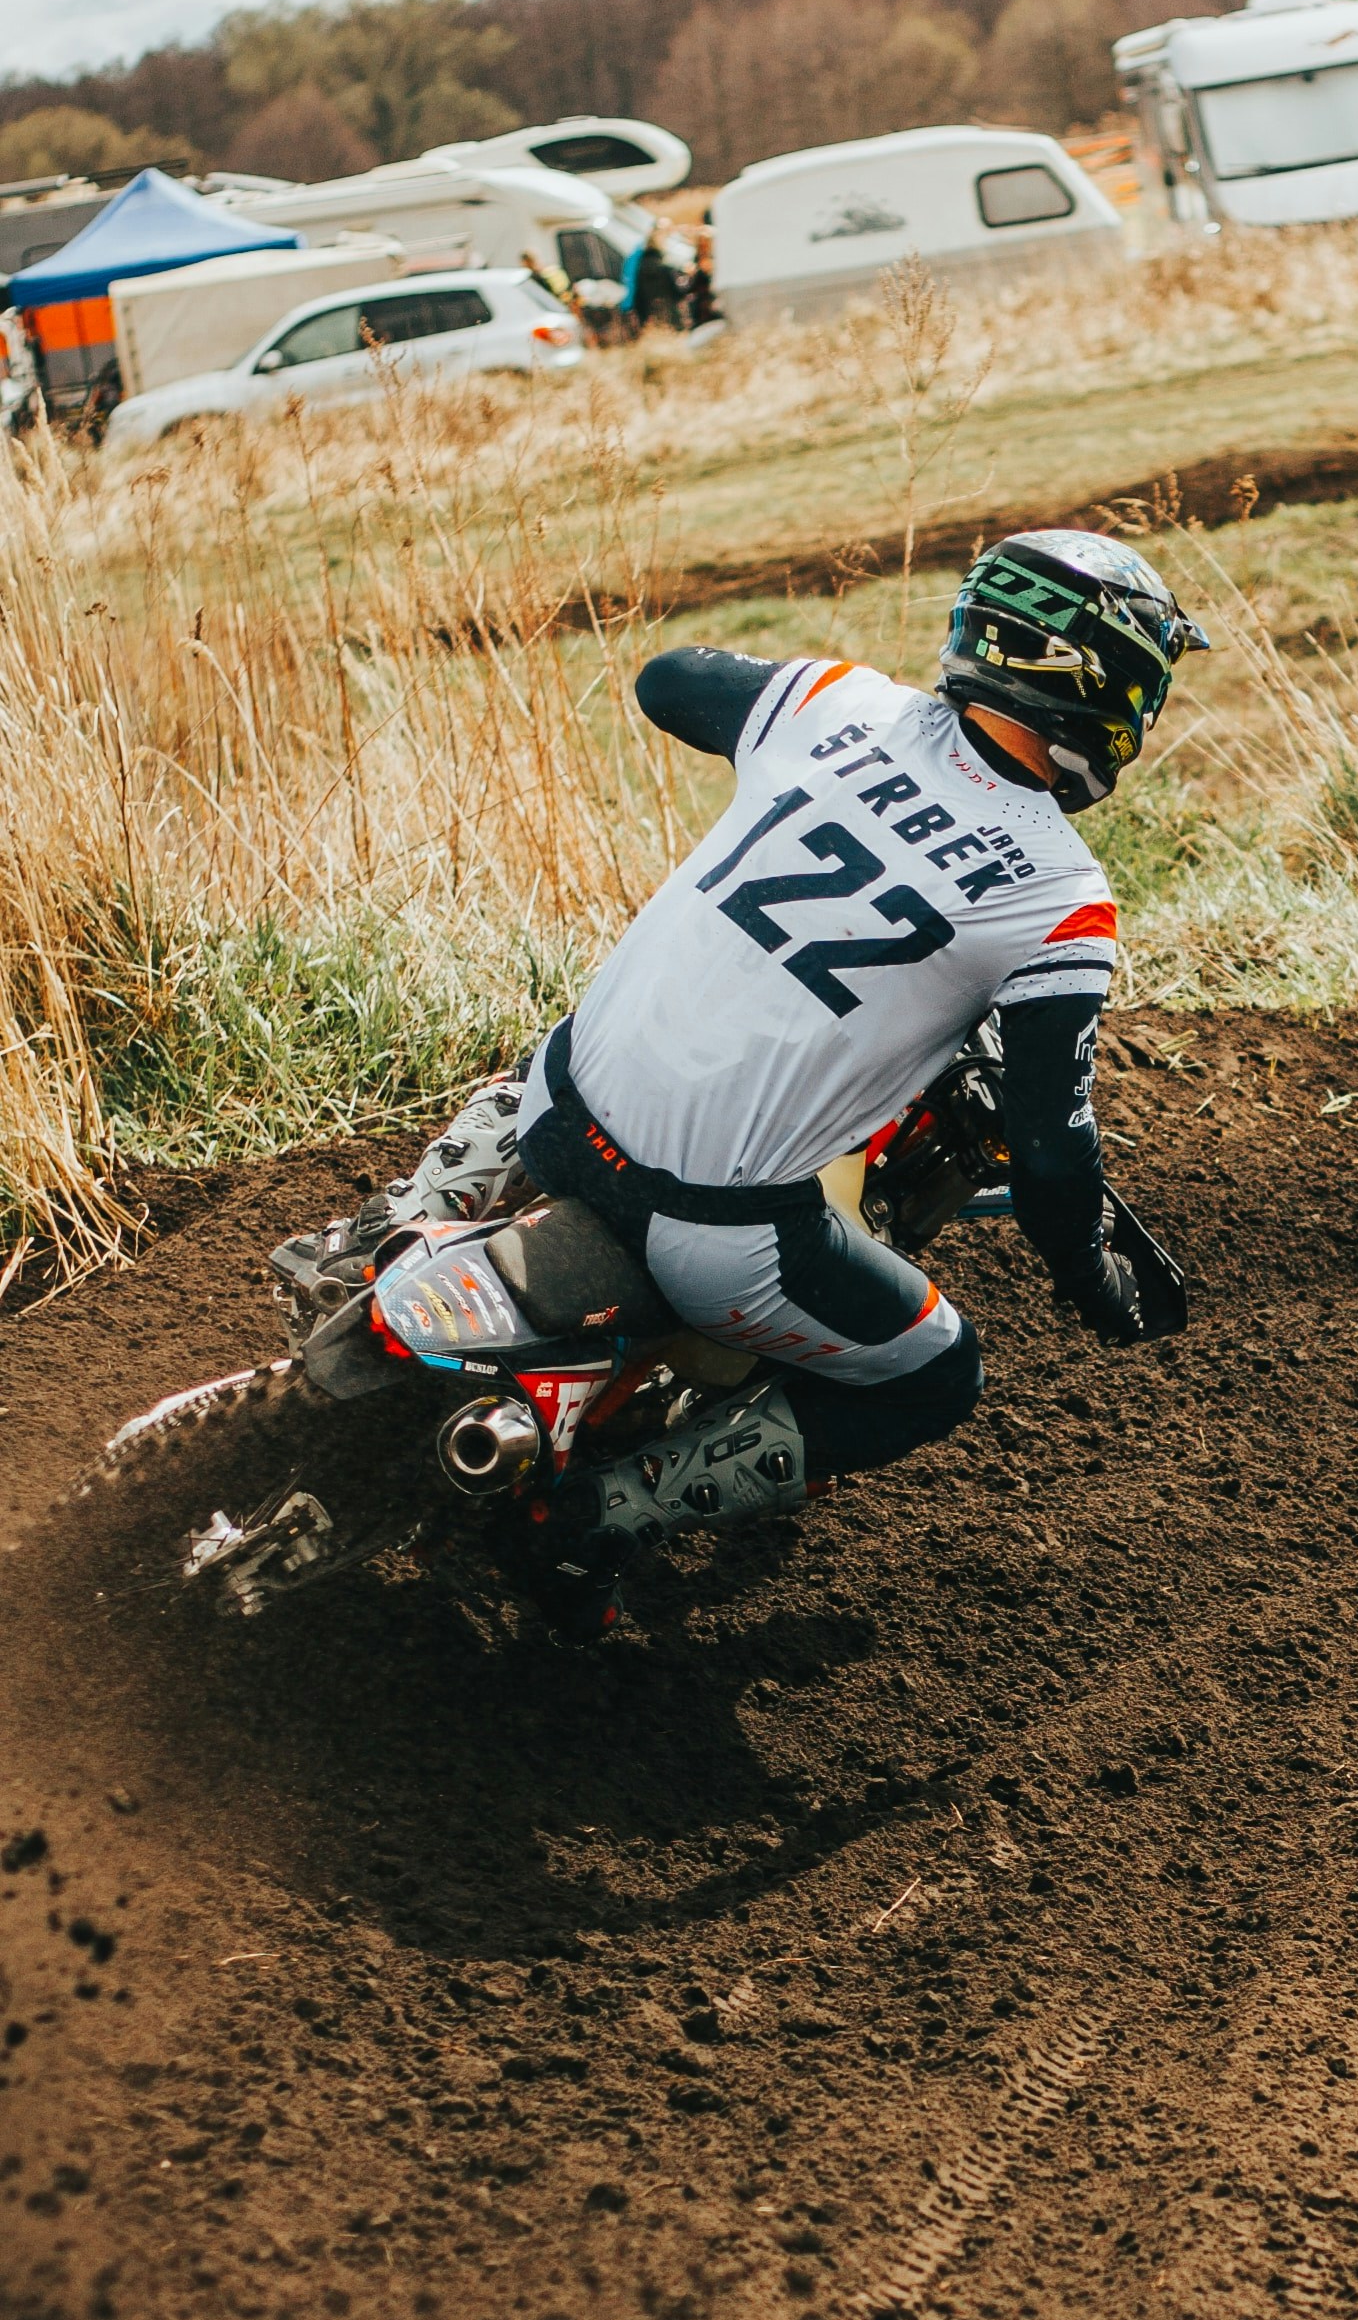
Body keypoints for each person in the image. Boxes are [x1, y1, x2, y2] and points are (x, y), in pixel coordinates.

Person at [294, 528, 1206, 1630]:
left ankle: (374, 1231)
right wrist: (1095, 1282)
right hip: (708, 1237)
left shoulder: (837, 705)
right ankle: (597, 1522)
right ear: (1104, 684)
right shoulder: (1061, 896)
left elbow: (666, 678)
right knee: (937, 1376)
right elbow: (1056, 1149)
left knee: (558, 1052)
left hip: (557, 1115)